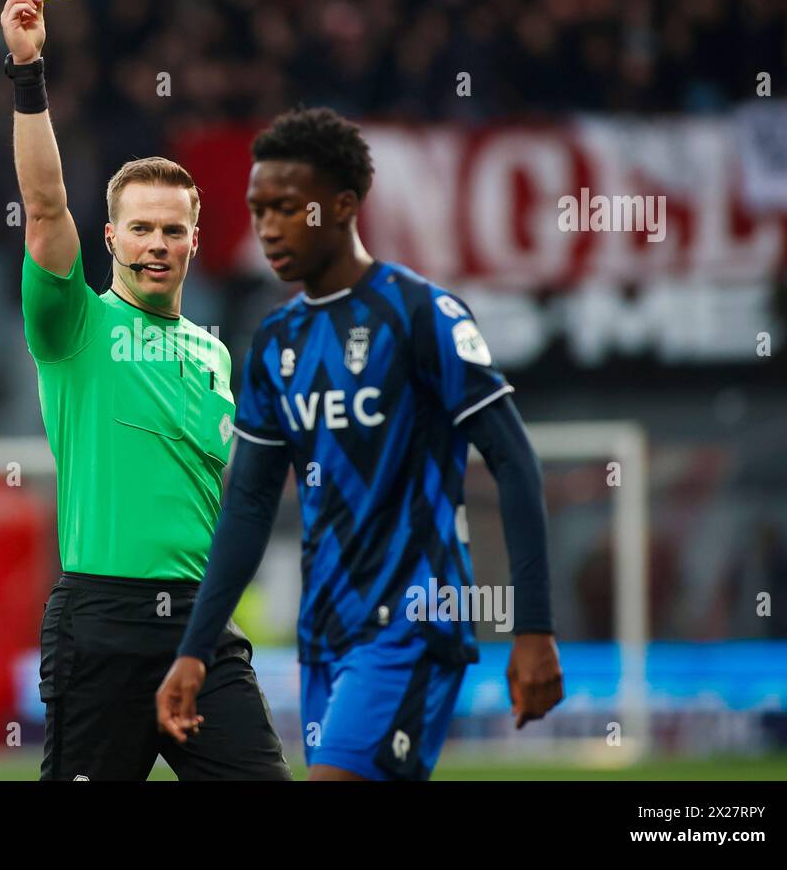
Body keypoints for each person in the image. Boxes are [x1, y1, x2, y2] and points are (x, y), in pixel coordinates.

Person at [157, 107, 564, 780]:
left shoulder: (420, 314)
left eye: (287, 208)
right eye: (258, 209)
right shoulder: (275, 343)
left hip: (411, 623)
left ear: (342, 206)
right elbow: (249, 504)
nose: (267, 227)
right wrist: (194, 650)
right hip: (324, 633)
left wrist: (535, 627)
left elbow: (514, 460)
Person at [1, 0, 290, 780]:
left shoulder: (212, 353)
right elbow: (42, 204)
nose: (156, 243)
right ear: (110, 237)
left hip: (202, 632)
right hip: (100, 624)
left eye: (172, 229)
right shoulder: (75, 326)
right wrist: (27, 71)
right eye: (140, 228)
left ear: (195, 241)